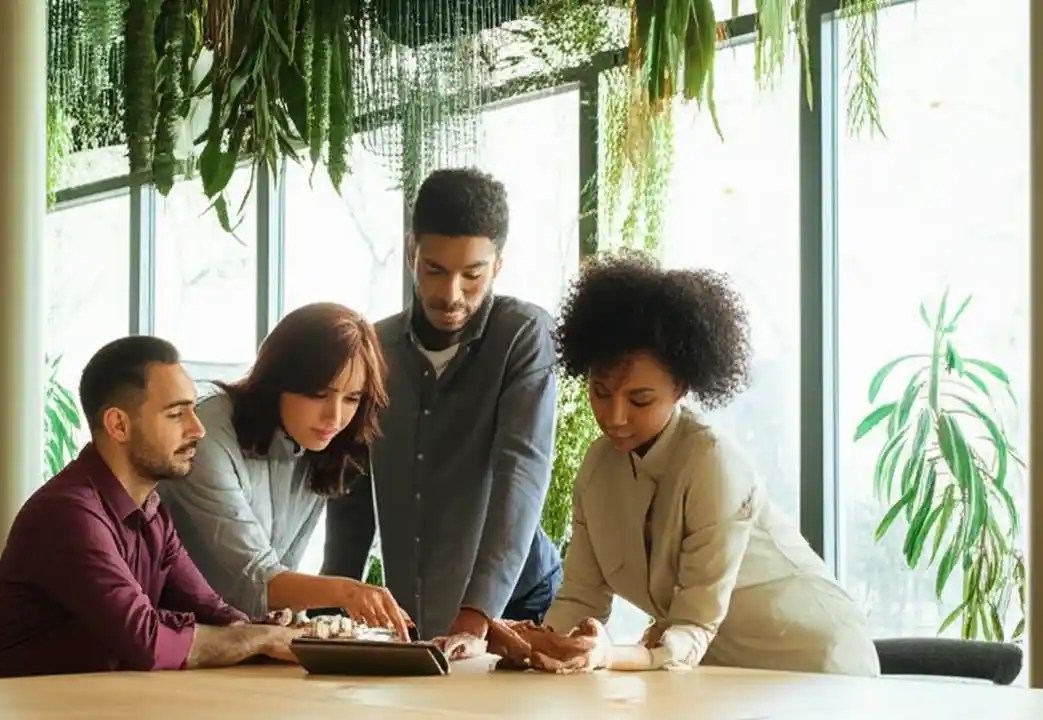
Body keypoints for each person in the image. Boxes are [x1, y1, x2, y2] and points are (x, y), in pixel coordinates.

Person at [537, 250, 879, 676]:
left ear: (681, 386)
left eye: (640, 399)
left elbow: (692, 625)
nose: (615, 416)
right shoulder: (597, 468)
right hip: (713, 668)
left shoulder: (712, 463)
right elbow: (581, 599)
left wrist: (609, 655)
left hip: (815, 664)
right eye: (601, 392)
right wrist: (531, 648)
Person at [0, 336, 301, 682]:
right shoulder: (67, 514)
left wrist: (267, 630)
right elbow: (148, 642)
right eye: (177, 414)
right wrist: (259, 639)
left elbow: (218, 616)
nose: (198, 429)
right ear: (118, 425)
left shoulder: (152, 513)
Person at [322, 167, 563, 652]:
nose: (451, 294)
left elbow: (522, 473)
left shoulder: (524, 336)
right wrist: (327, 611)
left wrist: (477, 618)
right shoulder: (378, 345)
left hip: (515, 605)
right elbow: (351, 490)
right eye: (434, 269)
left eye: (472, 275)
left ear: (497, 265)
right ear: (412, 251)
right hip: (416, 611)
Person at [159, 303, 410, 638]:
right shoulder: (208, 434)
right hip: (169, 640)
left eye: (352, 398)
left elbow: (279, 580)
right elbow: (255, 576)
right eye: (320, 394)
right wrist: (348, 593)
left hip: (238, 642)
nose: (334, 417)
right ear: (279, 379)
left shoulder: (321, 443)